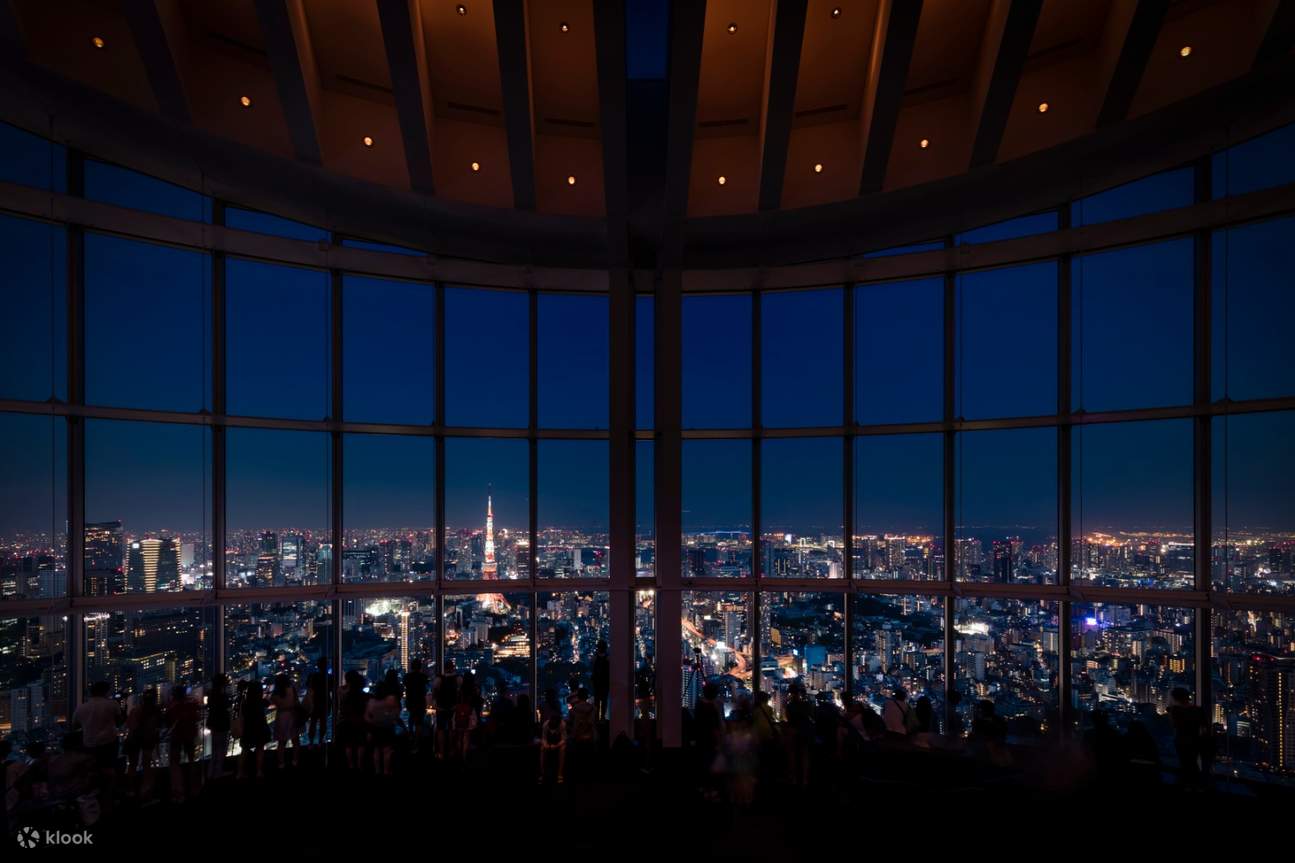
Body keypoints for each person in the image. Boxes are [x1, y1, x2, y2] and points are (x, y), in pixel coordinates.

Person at [72, 681, 121, 778]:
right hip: (109, 742)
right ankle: (109, 786)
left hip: (89, 743)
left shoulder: (81, 708)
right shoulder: (112, 704)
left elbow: (75, 726)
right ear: (105, 691)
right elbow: (119, 722)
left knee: (92, 770)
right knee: (109, 769)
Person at [1167, 686, 1209, 788]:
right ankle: (1195, 784)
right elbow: (1204, 727)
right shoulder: (1198, 710)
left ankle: (1187, 784)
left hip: (1181, 742)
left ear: (1176, 698)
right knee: (1192, 763)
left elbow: (1174, 725)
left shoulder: (1175, 711)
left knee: (1184, 764)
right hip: (1195, 741)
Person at [123, 688, 161, 800]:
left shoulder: (136, 710)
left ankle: (131, 790)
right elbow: (158, 728)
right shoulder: (156, 711)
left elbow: (130, 725)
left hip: (135, 740)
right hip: (148, 740)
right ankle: (146, 790)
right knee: (147, 765)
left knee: (132, 765)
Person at [165, 684, 200, 802]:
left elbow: (167, 722)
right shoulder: (192, 704)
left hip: (176, 737)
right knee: (192, 761)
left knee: (175, 763)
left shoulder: (172, 707)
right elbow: (197, 717)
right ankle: (194, 788)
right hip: (190, 735)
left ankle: (178, 791)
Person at [365, 678, 404, 775]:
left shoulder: (372, 701)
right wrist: (391, 720)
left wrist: (373, 722)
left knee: (376, 750)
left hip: (375, 728)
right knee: (387, 750)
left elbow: (367, 716)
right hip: (387, 727)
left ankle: (377, 770)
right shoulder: (391, 699)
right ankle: (386, 770)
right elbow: (396, 714)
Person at [237, 680, 270, 781]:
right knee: (260, 749)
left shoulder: (245, 702)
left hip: (248, 729)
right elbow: (268, 703)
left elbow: (241, 715)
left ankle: (240, 773)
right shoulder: (261, 701)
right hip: (260, 728)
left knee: (245, 750)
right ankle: (259, 771)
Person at [338, 670, 370, 770]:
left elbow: (341, 702)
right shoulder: (362, 694)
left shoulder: (342, 691)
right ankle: (360, 765)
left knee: (349, 744)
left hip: (347, 720)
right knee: (361, 743)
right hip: (360, 720)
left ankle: (351, 765)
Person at [270, 673, 302, 769]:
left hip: (281, 717)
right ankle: (295, 761)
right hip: (292, 715)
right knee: (295, 740)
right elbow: (297, 702)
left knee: (281, 742)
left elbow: (272, 702)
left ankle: (281, 763)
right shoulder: (292, 690)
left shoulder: (275, 694)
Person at [784, 685, 813, 787]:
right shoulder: (806, 704)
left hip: (793, 731)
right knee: (804, 755)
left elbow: (788, 718)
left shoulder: (790, 706)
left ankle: (794, 778)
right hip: (805, 731)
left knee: (792, 755)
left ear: (791, 693)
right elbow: (811, 715)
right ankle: (805, 779)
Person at [206, 674, 232, 780]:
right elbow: (226, 708)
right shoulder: (222, 696)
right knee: (221, 749)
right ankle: (218, 773)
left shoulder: (211, 694)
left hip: (213, 723)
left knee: (215, 749)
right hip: (222, 724)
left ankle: (211, 772)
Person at [433, 659, 460, 761]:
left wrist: (435, 704)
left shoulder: (439, 679)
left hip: (441, 707)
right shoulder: (458, 678)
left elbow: (434, 691)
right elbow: (459, 692)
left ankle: (441, 751)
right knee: (451, 729)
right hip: (453, 707)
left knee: (441, 729)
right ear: (453, 667)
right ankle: (451, 750)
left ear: (444, 668)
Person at [304, 657, 331, 751]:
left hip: (314, 701)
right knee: (323, 722)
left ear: (318, 665)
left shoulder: (313, 676)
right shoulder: (329, 677)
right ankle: (321, 741)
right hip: (325, 701)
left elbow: (307, 686)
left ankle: (311, 742)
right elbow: (332, 689)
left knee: (313, 722)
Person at [405, 658, 429, 747]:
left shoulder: (407, 677)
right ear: (420, 667)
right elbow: (426, 687)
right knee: (419, 722)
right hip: (420, 701)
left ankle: (410, 735)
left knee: (411, 718)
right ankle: (417, 741)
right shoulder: (423, 677)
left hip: (410, 701)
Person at [538, 706, 566, 784]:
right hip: (548, 742)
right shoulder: (546, 724)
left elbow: (564, 739)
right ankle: (542, 773)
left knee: (562, 749)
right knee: (542, 749)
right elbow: (543, 738)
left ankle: (560, 774)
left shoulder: (562, 724)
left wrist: (556, 746)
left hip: (558, 742)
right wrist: (546, 745)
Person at [592, 639, 610, 721]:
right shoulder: (608, 658)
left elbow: (593, 668)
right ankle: (602, 717)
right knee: (603, 701)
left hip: (597, 683)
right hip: (604, 683)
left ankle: (597, 718)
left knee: (597, 701)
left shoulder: (595, 657)